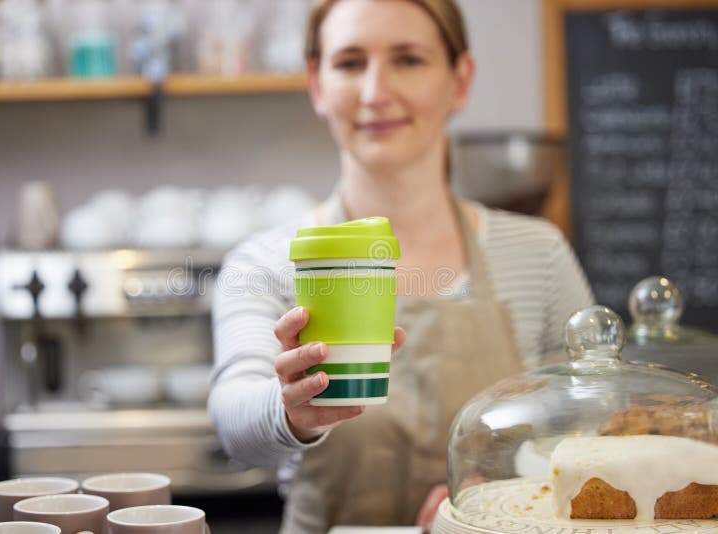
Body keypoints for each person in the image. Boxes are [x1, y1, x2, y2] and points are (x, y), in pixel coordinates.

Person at [208, 0, 593, 532]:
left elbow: (590, 423)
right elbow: (233, 420)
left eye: (408, 59)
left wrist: (503, 483)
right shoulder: (267, 263)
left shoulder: (539, 255)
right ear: (316, 84)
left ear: (460, 81)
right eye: (349, 63)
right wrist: (290, 410)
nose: (375, 92)